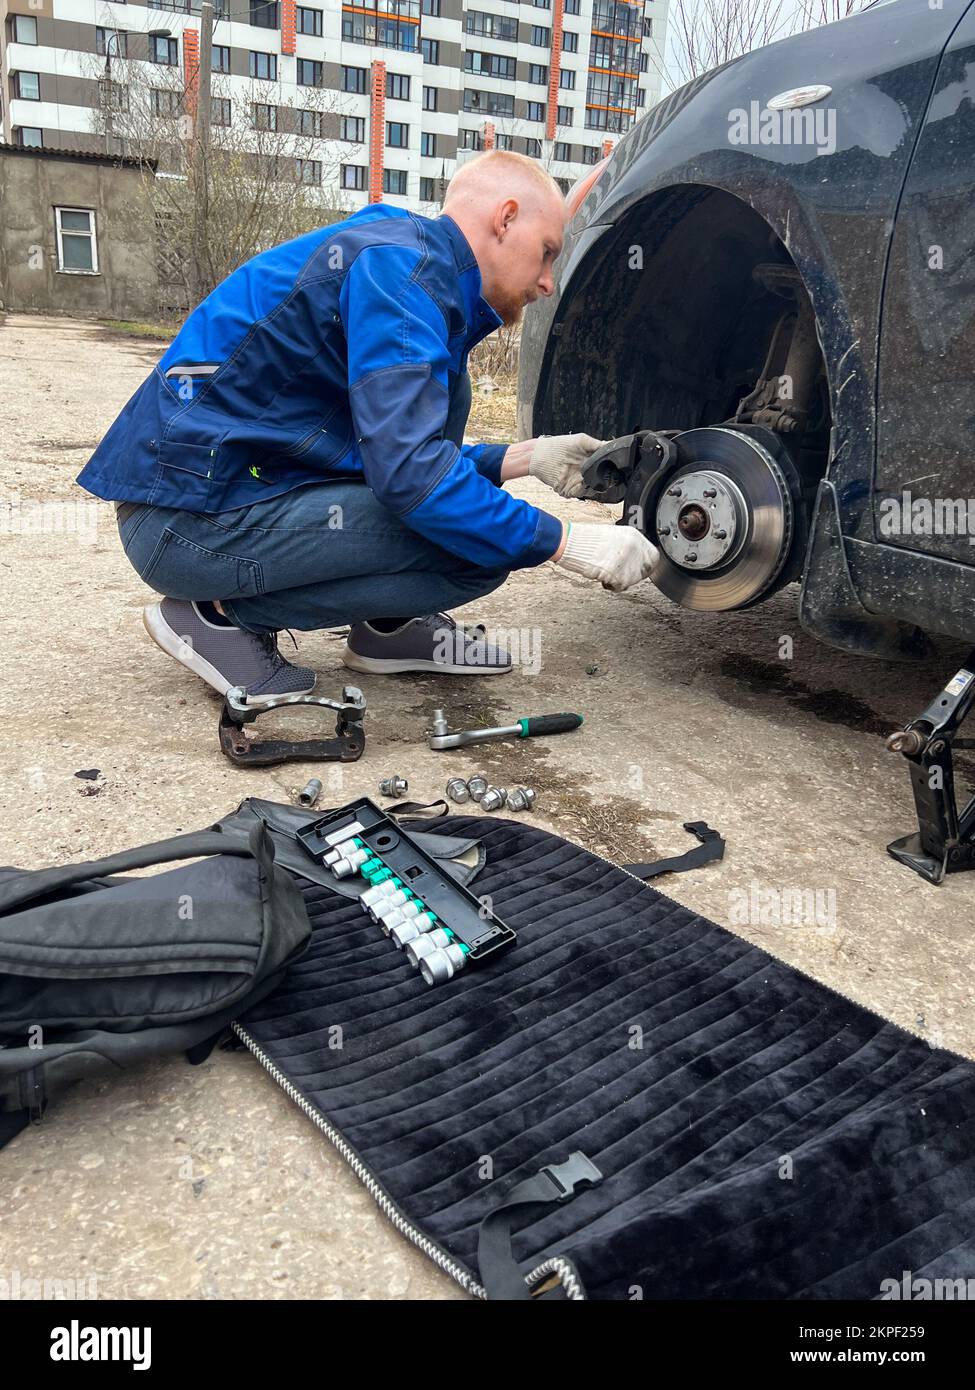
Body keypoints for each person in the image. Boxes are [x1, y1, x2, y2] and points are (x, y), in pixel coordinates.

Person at [76, 150, 659, 701]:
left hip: (224, 499)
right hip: (187, 526)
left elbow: (391, 449)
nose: (548, 282)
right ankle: (217, 618)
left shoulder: (408, 263)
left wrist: (522, 458)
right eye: (549, 252)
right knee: (479, 550)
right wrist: (565, 542)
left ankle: (387, 628)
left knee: (460, 491)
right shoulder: (402, 273)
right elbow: (408, 474)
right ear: (505, 219)